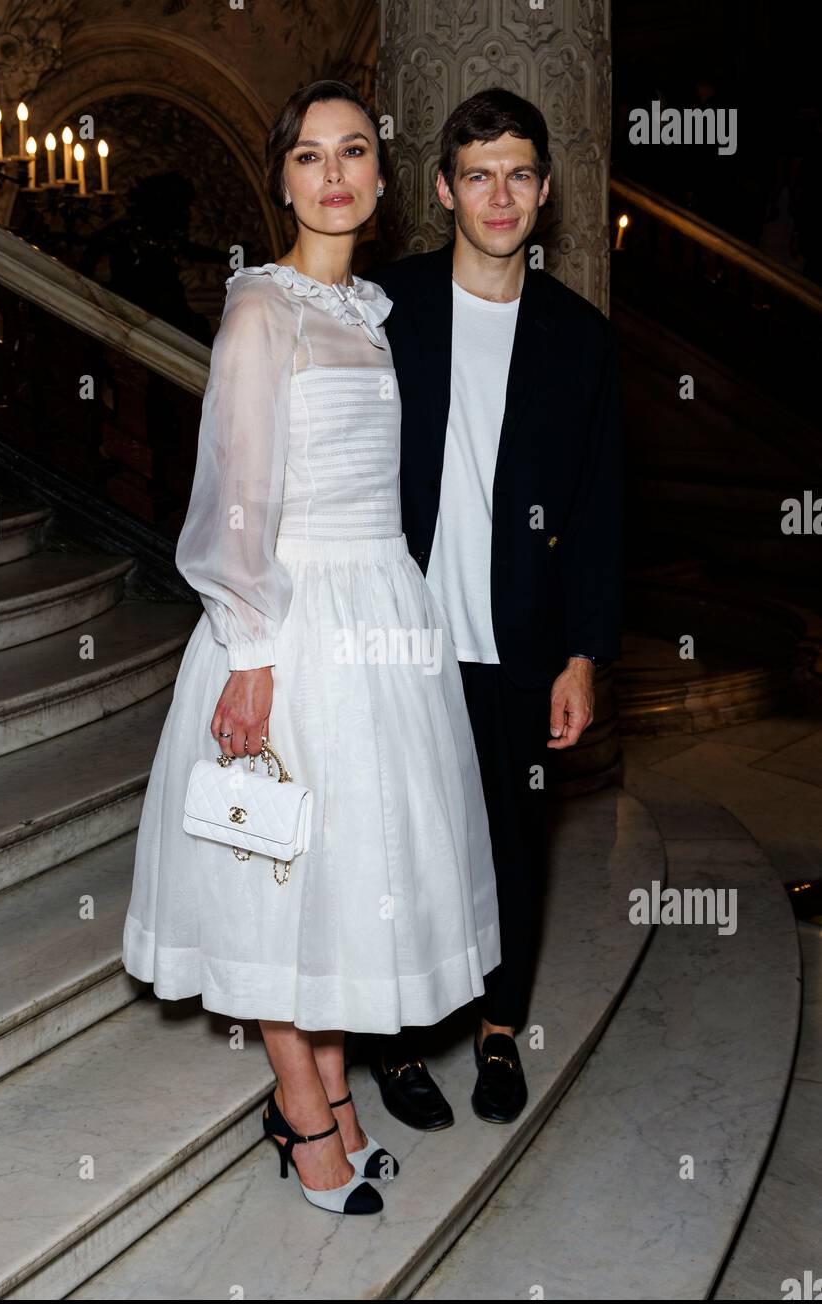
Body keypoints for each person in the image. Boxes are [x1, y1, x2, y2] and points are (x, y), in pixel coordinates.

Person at [121, 80, 501, 1216]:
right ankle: (299, 1115)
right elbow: (239, 499)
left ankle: (332, 1094)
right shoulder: (260, 312)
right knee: (277, 878)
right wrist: (249, 650)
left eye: (353, 154)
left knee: (344, 875)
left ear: (382, 184)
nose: (332, 174)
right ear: (281, 179)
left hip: (385, 612)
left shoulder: (365, 313)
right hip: (291, 623)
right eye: (308, 157)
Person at [367, 88, 624, 1128]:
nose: (501, 193)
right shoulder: (389, 308)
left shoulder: (580, 336)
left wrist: (584, 654)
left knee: (515, 842)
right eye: (479, 173)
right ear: (444, 189)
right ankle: (396, 1041)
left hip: (517, 639)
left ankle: (499, 1030)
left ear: (546, 189)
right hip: (399, 635)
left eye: (519, 172)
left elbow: (603, 506)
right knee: (403, 848)